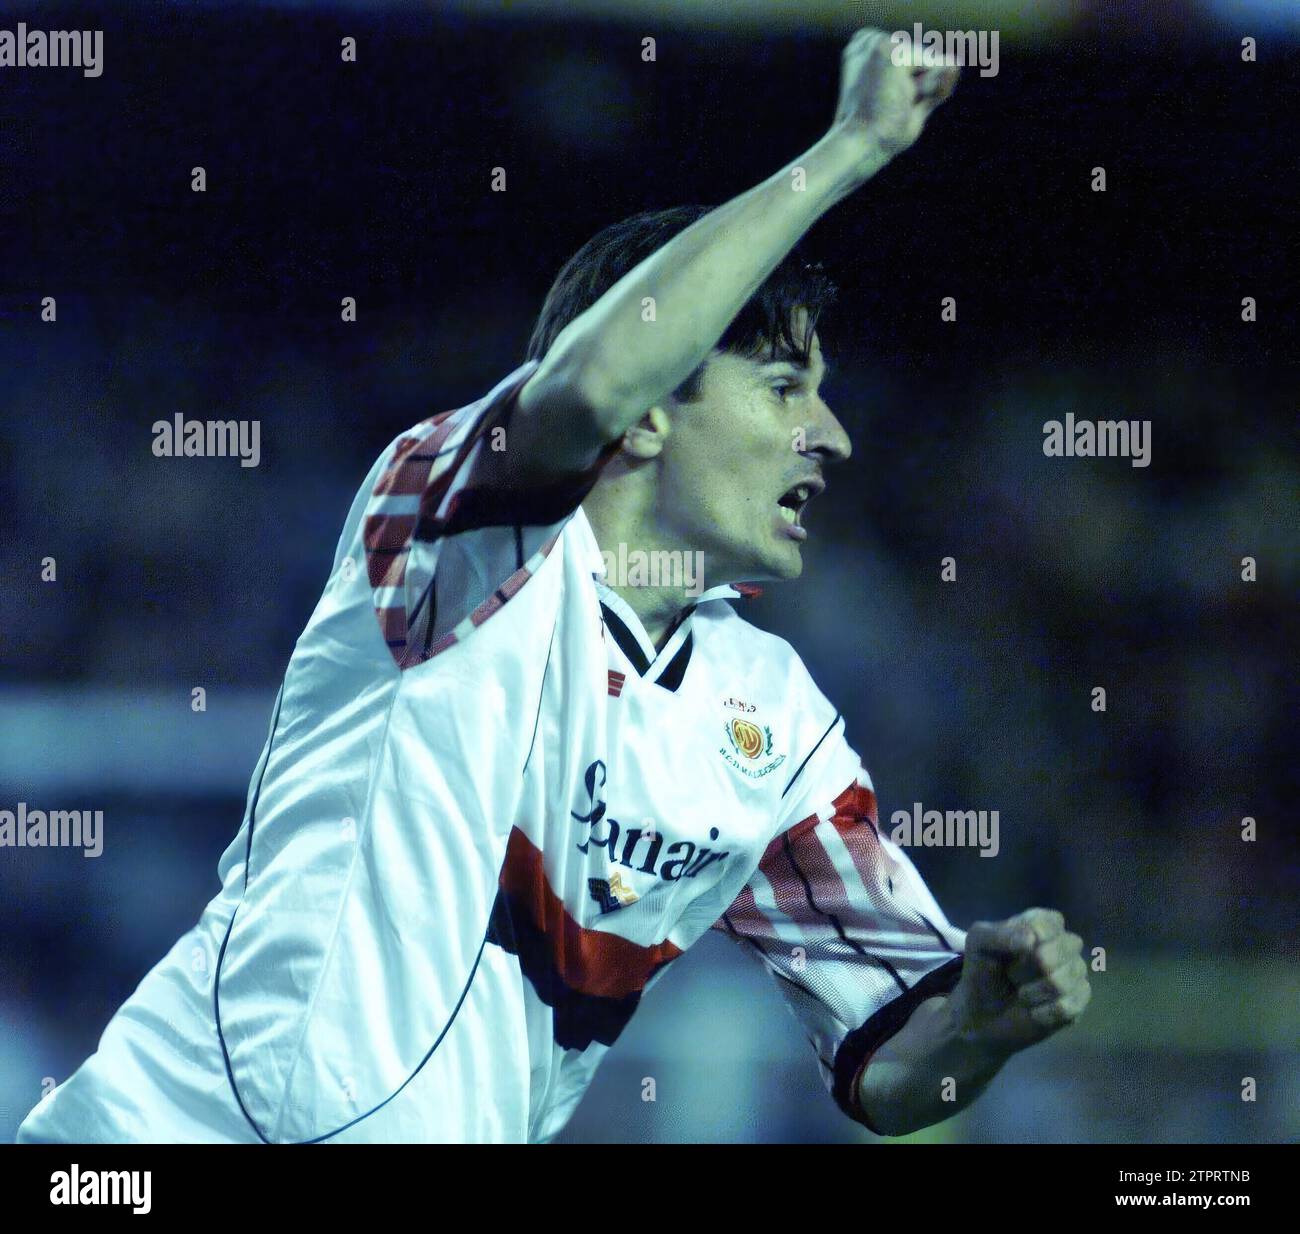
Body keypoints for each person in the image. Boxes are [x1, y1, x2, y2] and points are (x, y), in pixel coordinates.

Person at [18, 28, 1088, 1145]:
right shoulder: (453, 528)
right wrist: (848, 149)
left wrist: (977, 1028)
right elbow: (584, 385)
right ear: (655, 404)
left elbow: (890, 1068)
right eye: (783, 386)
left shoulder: (772, 718)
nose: (831, 437)